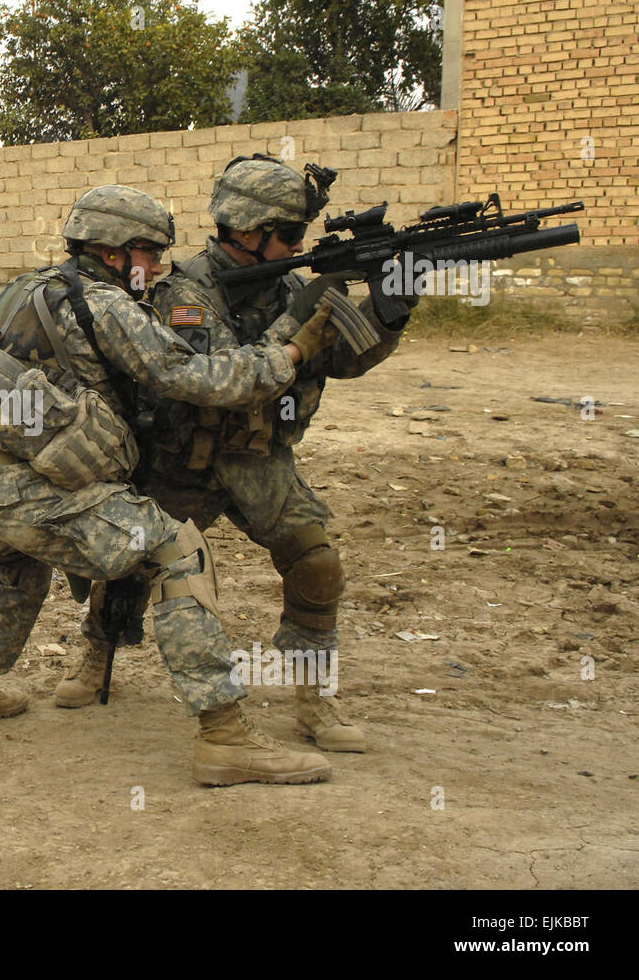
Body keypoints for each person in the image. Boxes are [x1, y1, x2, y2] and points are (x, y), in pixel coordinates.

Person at [0, 183, 350, 786]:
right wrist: (289, 353)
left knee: (23, 562)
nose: (157, 267)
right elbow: (193, 376)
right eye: (149, 253)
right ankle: (226, 736)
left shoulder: (23, 289)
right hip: (18, 484)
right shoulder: (103, 303)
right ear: (112, 251)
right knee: (176, 549)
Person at [54, 155, 419, 755]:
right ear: (249, 231)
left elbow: (346, 358)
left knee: (317, 562)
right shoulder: (184, 294)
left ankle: (312, 697)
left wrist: (392, 305)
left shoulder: (297, 287)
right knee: (128, 566)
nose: (298, 245)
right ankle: (98, 650)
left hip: (258, 459)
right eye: (291, 235)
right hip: (180, 456)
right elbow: (218, 375)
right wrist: (298, 328)